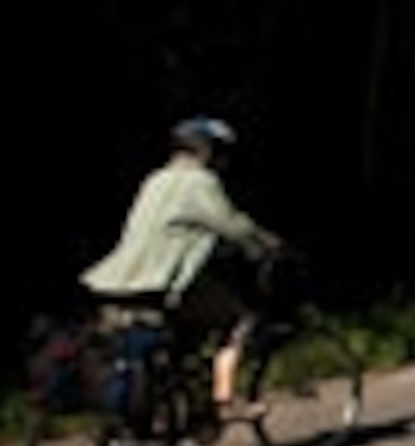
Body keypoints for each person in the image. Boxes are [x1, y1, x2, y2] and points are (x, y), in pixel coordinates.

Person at [82, 116, 282, 410]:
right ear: (208, 150)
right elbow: (230, 225)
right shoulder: (200, 182)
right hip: (164, 281)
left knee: (185, 330)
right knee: (239, 320)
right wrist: (267, 246)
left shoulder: (155, 180)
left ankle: (176, 396)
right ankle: (225, 397)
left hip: (118, 281)